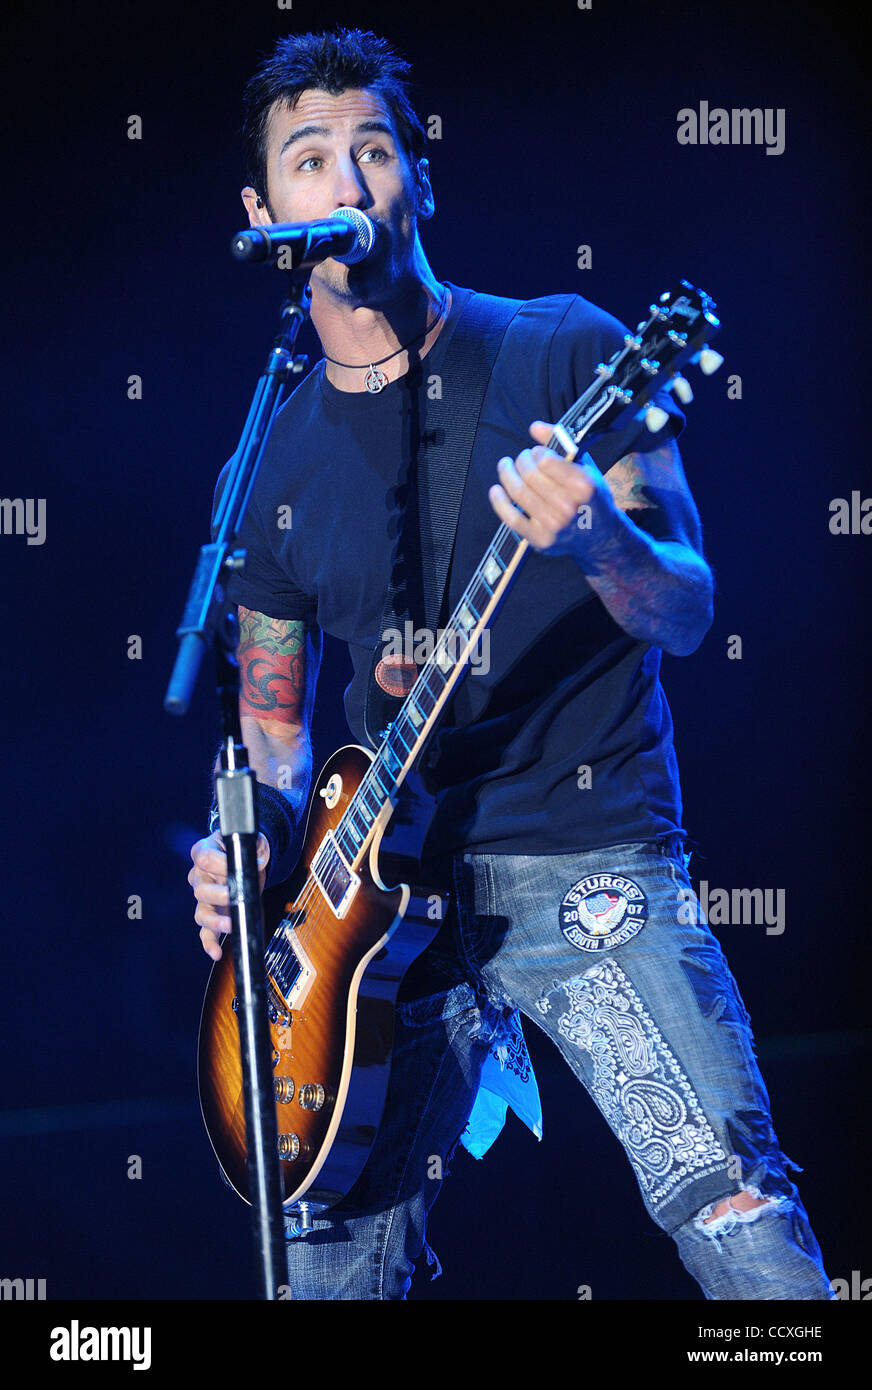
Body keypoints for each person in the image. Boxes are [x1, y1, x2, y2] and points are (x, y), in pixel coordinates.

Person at [188, 26, 834, 1300]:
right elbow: (275, 732)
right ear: (265, 215)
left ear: (417, 179)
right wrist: (245, 852)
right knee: (322, 1263)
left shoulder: (564, 349)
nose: (349, 181)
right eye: (309, 160)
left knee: (730, 1201)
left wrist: (594, 531)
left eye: (373, 150)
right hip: (376, 914)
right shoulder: (266, 451)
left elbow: (688, 608)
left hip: (587, 863)